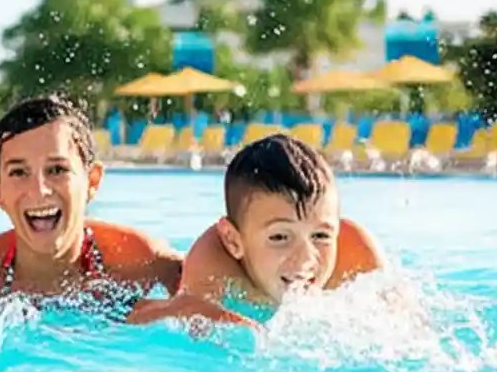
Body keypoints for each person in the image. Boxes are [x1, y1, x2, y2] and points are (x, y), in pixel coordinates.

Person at [0, 95, 183, 316]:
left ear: (92, 181)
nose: (39, 191)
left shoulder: (146, 265)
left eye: (57, 170)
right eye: (19, 172)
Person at [129, 133, 385, 327]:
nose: (307, 258)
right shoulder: (213, 270)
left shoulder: (357, 259)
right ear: (233, 241)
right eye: (280, 237)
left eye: (321, 235)